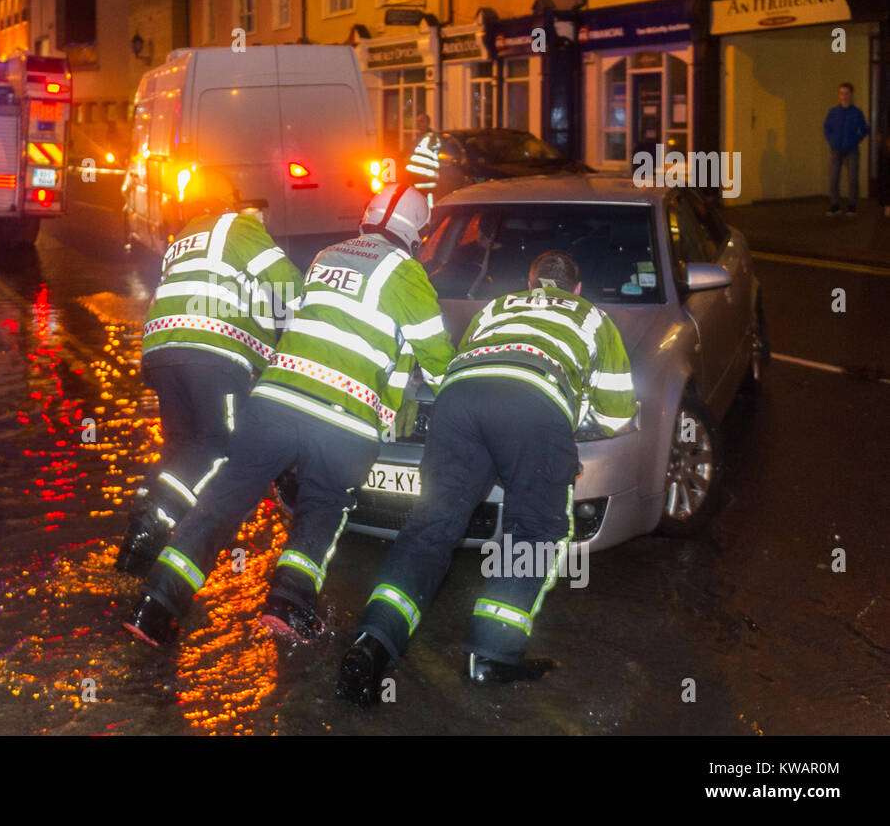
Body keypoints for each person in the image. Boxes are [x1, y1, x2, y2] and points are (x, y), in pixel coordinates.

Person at [123, 185, 456, 645]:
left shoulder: (328, 254)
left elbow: (295, 317)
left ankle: (156, 606)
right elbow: (438, 358)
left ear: (368, 218)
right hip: (344, 420)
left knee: (223, 500)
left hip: (274, 402)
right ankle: (288, 606)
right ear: (416, 234)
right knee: (321, 507)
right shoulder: (407, 272)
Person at [337, 250, 637, 703]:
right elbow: (615, 413)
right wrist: (568, 422)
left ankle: (373, 641)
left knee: (430, 529)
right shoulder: (592, 315)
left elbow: (467, 365)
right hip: (534, 402)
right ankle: (492, 654)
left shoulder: (496, 307)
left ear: (532, 282)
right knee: (535, 530)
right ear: (577, 288)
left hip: (457, 401)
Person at [114, 181, 304, 576]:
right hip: (211, 353)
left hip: (161, 350)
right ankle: (155, 524)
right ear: (231, 206)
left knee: (182, 447)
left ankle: (140, 533)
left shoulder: (184, 238)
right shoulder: (238, 227)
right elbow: (288, 285)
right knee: (223, 449)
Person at [824, 82, 869, 216]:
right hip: (836, 149)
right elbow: (826, 127)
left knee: (853, 179)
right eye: (841, 93)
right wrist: (832, 141)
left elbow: (865, 129)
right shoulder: (833, 112)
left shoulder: (856, 112)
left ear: (851, 95)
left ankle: (852, 205)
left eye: (846, 93)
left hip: (852, 150)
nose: (843, 96)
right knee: (833, 178)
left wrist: (856, 139)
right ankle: (835, 205)